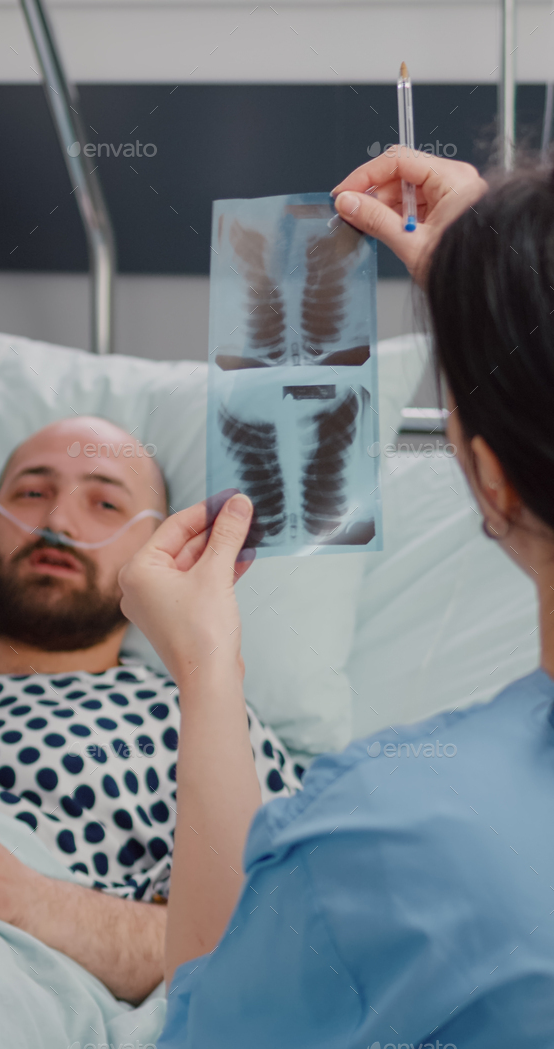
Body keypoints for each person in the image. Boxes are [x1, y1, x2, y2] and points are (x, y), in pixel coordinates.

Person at [116, 149, 554, 1047]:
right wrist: (498, 286)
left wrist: (206, 669)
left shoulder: (387, 833)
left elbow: (212, 1016)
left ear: (490, 481)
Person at [0, 416, 302, 1004]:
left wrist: (39, 903)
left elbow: (277, 937)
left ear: (156, 553)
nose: (58, 522)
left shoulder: (200, 713)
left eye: (104, 504)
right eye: (33, 493)